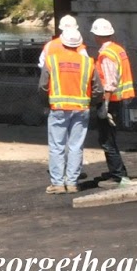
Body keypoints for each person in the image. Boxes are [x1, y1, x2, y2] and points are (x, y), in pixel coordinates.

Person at [38, 25, 94, 194]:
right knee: (76, 146)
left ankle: (57, 183)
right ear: (79, 44)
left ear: (62, 42)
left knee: (57, 146)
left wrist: (46, 102)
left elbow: (43, 85)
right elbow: (97, 87)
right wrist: (92, 101)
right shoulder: (88, 62)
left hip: (59, 108)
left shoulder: (52, 60)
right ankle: (72, 183)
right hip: (82, 108)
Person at [90, 18, 136, 186]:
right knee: (110, 138)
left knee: (107, 140)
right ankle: (117, 171)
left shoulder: (106, 55)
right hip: (117, 99)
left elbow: (109, 82)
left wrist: (105, 106)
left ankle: (117, 175)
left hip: (110, 100)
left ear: (97, 35)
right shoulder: (118, 49)